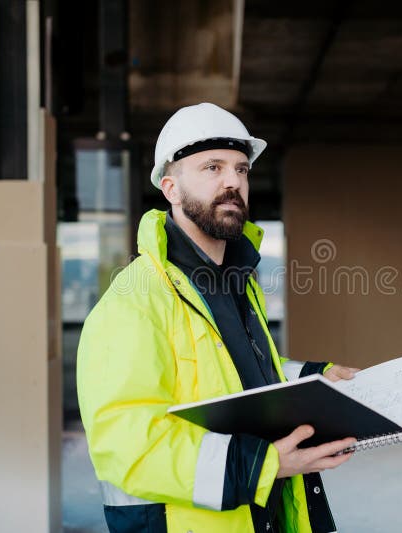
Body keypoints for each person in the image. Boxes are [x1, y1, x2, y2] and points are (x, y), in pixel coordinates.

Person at [77, 102, 359, 533]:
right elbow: (128, 443)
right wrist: (262, 465)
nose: (233, 182)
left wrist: (314, 377)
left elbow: (234, 372)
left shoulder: (237, 282)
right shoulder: (134, 301)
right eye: (212, 167)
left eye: (242, 170)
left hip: (264, 514)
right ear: (170, 188)